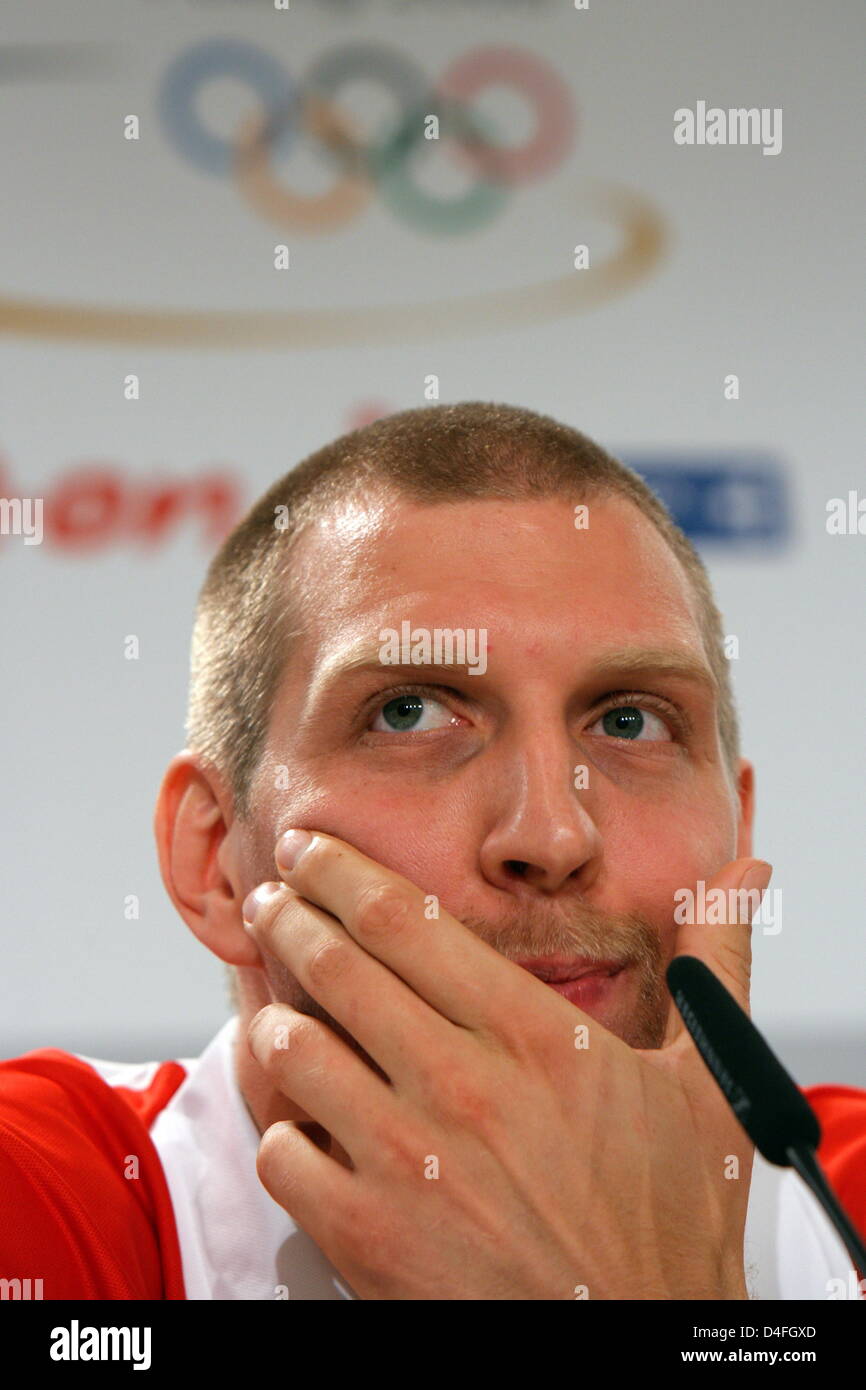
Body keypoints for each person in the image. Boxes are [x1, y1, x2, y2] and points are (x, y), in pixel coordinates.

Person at [2, 401, 864, 1300]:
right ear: (215, 859)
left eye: (629, 721)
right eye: (408, 712)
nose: (552, 836)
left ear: (740, 831)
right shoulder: (33, 1198)